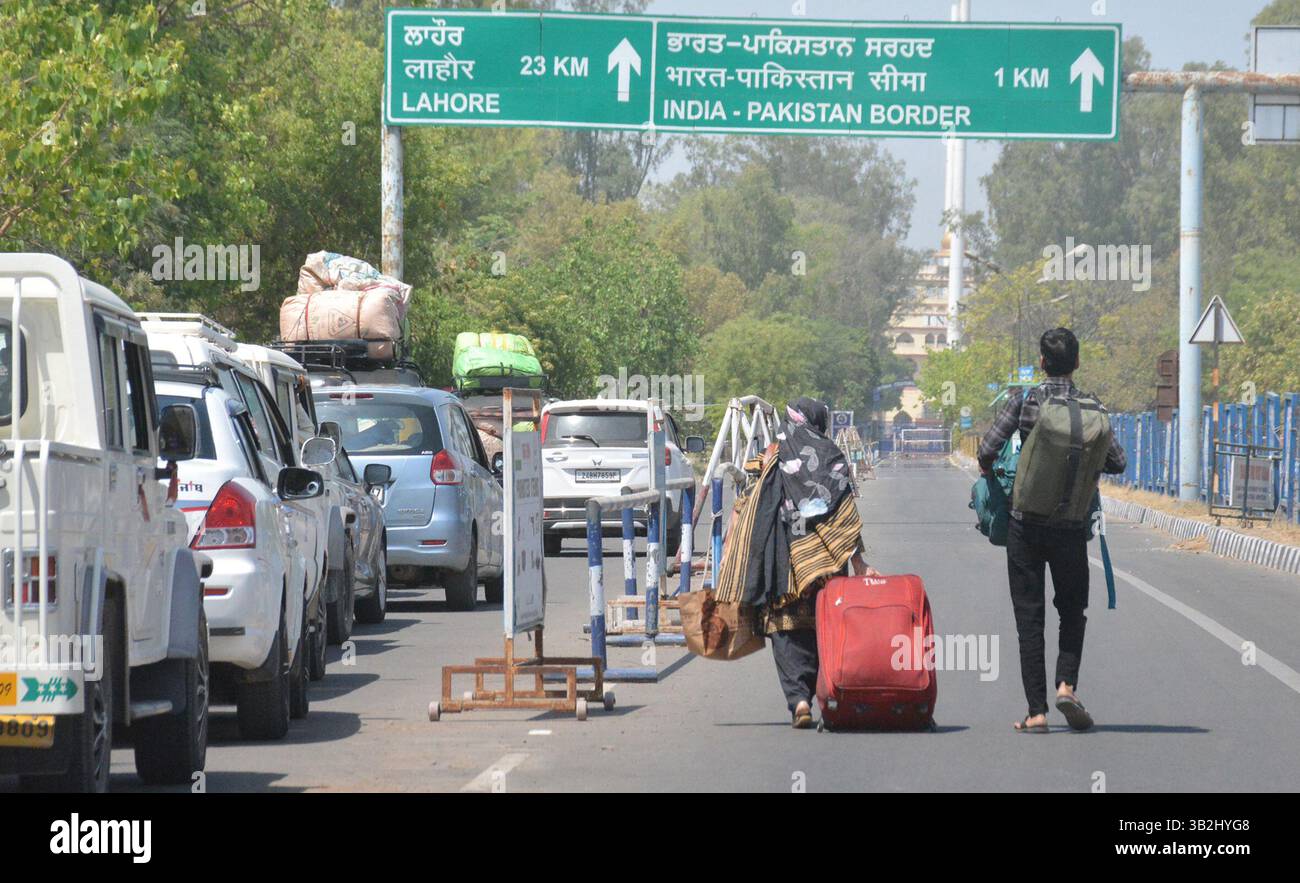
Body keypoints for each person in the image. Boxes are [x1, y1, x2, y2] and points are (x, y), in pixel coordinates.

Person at [977, 328, 1126, 734]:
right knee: (1072, 610)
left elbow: (987, 450)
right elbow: (1118, 462)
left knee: (1030, 618)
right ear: (1077, 364)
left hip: (1026, 524)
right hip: (1071, 527)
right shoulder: (1093, 406)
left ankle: (1037, 712)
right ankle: (1066, 684)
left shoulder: (1027, 400)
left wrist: (994, 471)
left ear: (1041, 363)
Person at [715, 396, 877, 729]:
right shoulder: (832, 456)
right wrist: (858, 562)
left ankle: (798, 700)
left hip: (784, 562)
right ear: (819, 423)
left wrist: (736, 559)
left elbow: (752, 506)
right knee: (825, 629)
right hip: (825, 567)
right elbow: (845, 514)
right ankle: (822, 694)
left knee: (784, 629)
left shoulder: (772, 455)